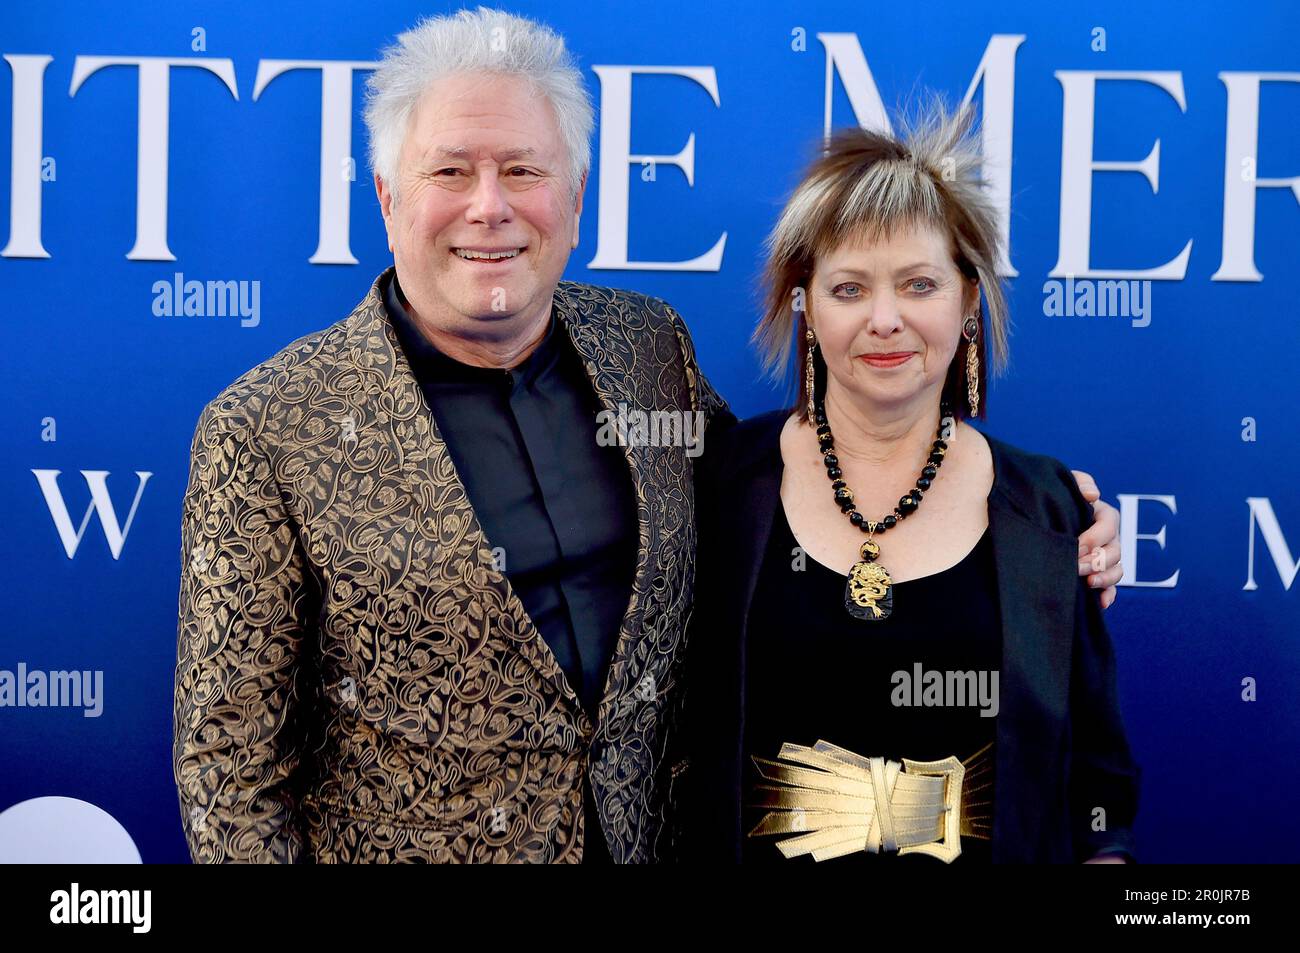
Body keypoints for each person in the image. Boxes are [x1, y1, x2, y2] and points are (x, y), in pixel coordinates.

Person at [173, 8, 1123, 863]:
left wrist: (1048, 517)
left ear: (576, 198)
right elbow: (229, 778)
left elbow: (809, 485)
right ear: (387, 195)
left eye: (523, 171)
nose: (489, 206)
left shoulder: (645, 350)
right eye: (451, 170)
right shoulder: (265, 429)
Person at [679, 102, 1140, 864]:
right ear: (806, 306)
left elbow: (1098, 784)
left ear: (966, 302)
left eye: (919, 285)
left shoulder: (1049, 508)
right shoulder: (722, 484)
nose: (885, 319)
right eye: (850, 288)